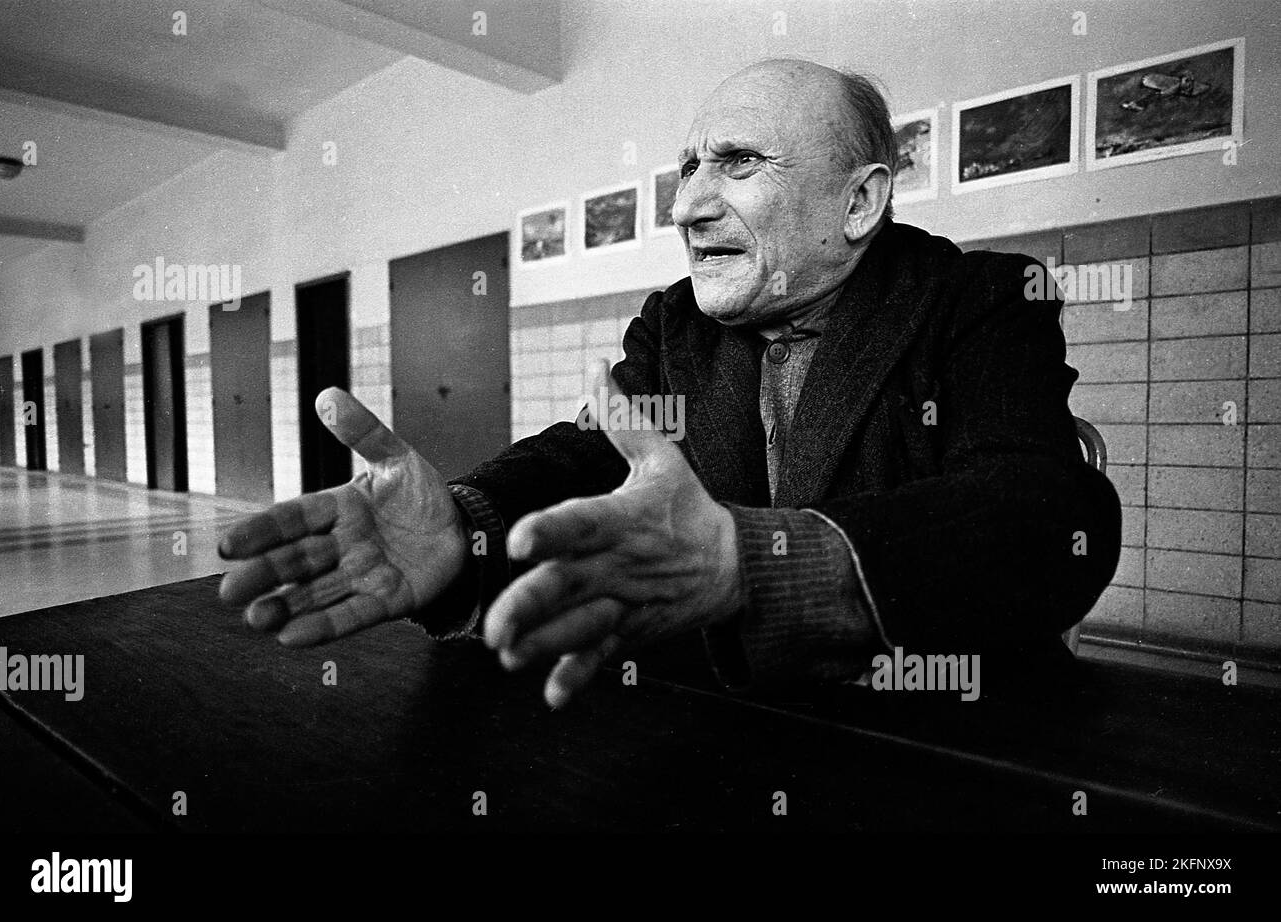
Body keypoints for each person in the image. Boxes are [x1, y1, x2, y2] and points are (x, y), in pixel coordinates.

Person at [217, 58, 1121, 709]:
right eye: (688, 168)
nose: (686, 205)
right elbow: (588, 455)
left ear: (860, 203)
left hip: (937, 728)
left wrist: (753, 563)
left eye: (738, 163)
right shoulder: (674, 321)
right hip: (718, 727)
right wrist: (466, 526)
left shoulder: (984, 298)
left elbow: (1045, 514)